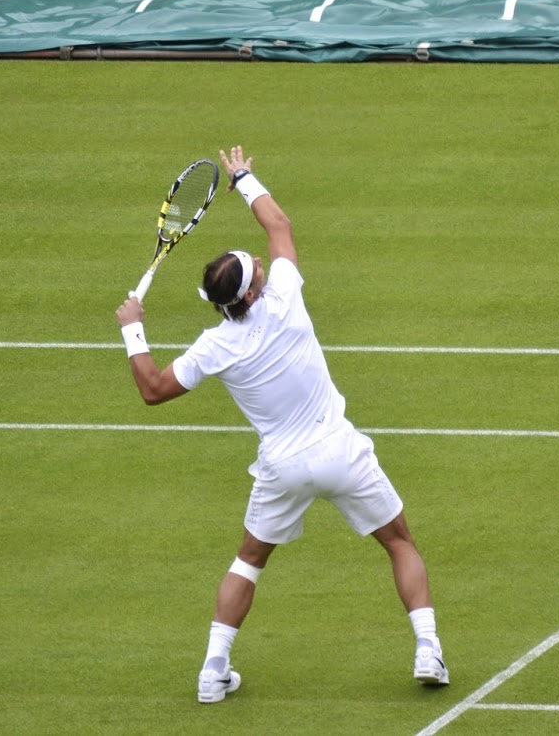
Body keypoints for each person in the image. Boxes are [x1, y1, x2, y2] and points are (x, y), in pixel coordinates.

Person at [113, 146, 448, 705]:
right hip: (340, 451)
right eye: (257, 271)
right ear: (250, 291)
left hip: (283, 469)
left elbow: (152, 389)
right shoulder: (287, 296)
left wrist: (132, 331)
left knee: (248, 559)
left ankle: (213, 671)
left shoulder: (213, 345)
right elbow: (280, 225)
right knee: (398, 542)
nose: (266, 268)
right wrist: (243, 177)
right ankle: (428, 648)